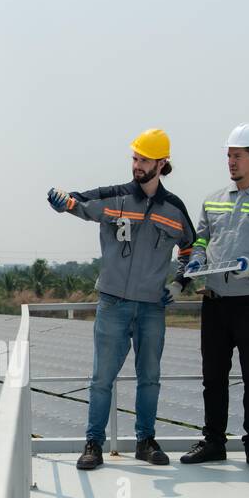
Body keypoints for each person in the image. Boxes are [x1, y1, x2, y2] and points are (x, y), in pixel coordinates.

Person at [46, 128, 196, 471]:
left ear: (161, 163)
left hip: (152, 308)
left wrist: (179, 284)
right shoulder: (114, 198)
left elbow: (192, 247)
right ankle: (93, 444)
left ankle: (145, 441)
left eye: (144, 159)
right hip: (113, 304)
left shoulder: (174, 209)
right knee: (102, 378)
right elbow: (77, 203)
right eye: (134, 158)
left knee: (150, 377)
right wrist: (61, 202)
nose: (137, 165)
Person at [179, 123, 249, 471]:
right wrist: (196, 259)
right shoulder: (212, 200)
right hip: (214, 302)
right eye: (229, 155)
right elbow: (200, 239)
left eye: (238, 156)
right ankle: (214, 442)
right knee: (213, 376)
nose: (231, 162)